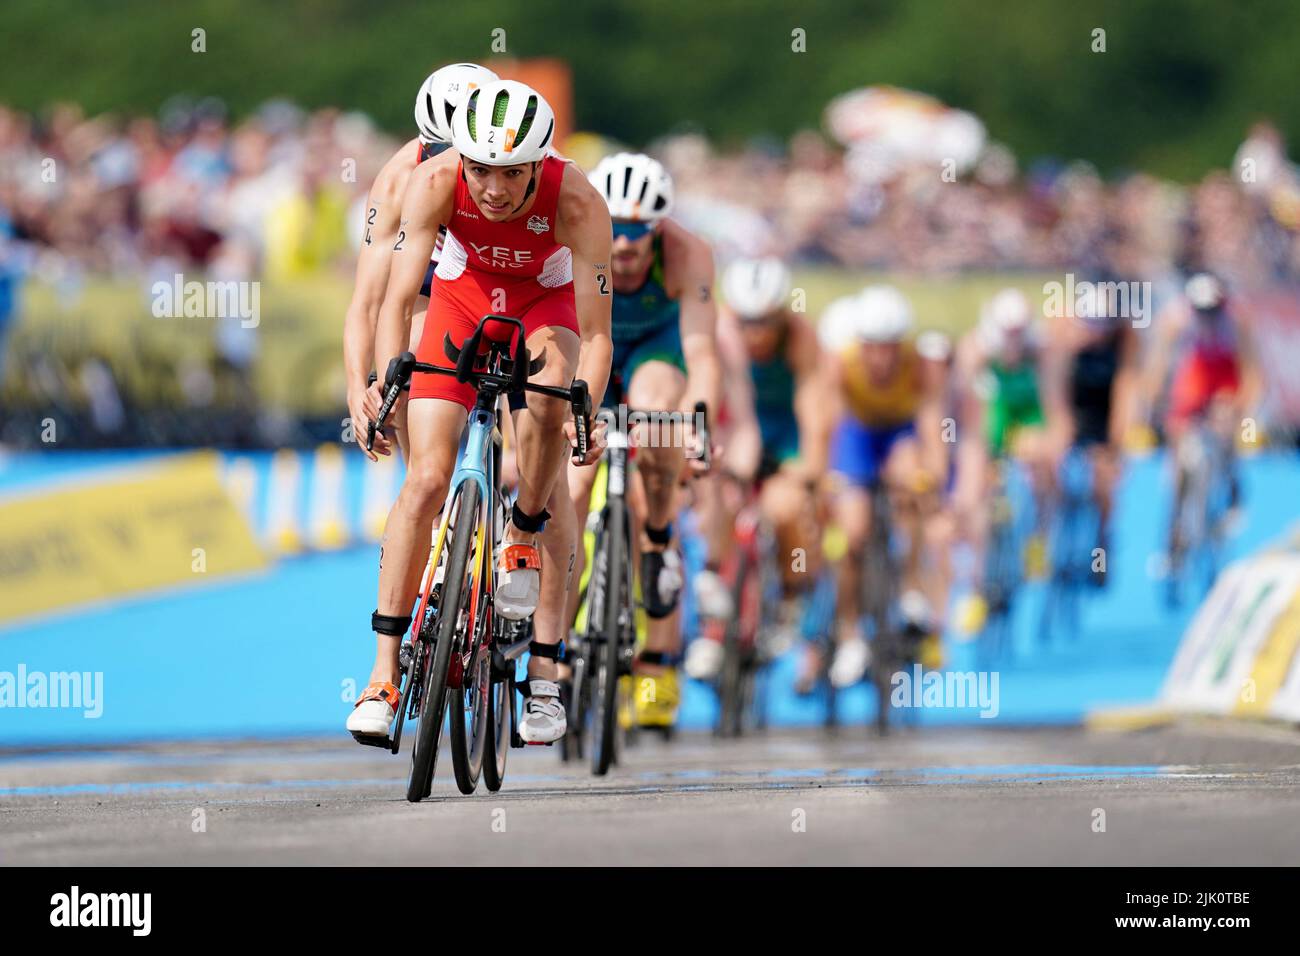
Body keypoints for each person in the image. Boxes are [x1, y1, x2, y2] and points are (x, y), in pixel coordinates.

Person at [347, 80, 613, 745]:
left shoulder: (578, 200)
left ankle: (542, 660)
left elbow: (599, 333)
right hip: (461, 302)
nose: (493, 188)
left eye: (513, 172)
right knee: (426, 480)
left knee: (550, 423)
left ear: (539, 165)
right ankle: (382, 676)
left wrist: (589, 410)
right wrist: (386, 380)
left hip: (542, 307)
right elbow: (397, 296)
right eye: (482, 170)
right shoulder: (432, 180)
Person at [566, 151, 721, 730]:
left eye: (638, 234)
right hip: (594, 351)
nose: (625, 247)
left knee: (658, 409)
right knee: (575, 482)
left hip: (657, 353)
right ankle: (550, 649)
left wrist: (698, 423)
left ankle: (657, 542)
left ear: (659, 231)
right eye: (616, 231)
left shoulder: (688, 254)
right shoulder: (575, 238)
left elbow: (702, 354)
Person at [684, 256, 832, 681]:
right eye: (747, 322)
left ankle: (789, 597)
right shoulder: (719, 329)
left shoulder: (801, 337)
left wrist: (811, 467)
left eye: (765, 322)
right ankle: (714, 627)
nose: (755, 334)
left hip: (784, 437)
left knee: (787, 508)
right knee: (720, 508)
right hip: (735, 430)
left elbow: (812, 405)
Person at [343, 63, 498, 463]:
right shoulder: (399, 178)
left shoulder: (524, 171)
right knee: (407, 362)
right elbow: (369, 301)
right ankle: (425, 498)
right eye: (434, 154)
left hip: (512, 269)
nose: (439, 172)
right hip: (442, 269)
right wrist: (361, 390)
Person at [823, 286, 949, 689]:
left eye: (890, 347)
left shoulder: (921, 366)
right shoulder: (841, 365)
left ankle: (911, 584)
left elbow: (932, 423)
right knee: (852, 535)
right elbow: (826, 422)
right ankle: (849, 635)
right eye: (873, 347)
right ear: (860, 344)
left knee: (914, 481)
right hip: (857, 436)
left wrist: (934, 473)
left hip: (898, 434)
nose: (882, 357)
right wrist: (829, 479)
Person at [1143, 272, 1260, 564]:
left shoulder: (1237, 321)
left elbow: (1252, 375)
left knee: (1225, 421)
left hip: (1225, 375)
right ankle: (1175, 527)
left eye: (1212, 312)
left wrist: (1241, 410)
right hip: (1196, 375)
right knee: (1178, 439)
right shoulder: (1175, 319)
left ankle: (1233, 481)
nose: (1206, 318)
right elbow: (1158, 369)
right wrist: (1154, 406)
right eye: (1201, 312)